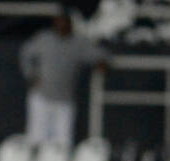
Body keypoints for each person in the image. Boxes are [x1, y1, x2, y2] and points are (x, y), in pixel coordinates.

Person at [19, 11, 106, 148]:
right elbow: (25, 52)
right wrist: (30, 74)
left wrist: (101, 62)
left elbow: (100, 55)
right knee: (36, 140)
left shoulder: (79, 43)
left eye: (65, 22)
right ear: (54, 23)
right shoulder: (44, 39)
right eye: (59, 22)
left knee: (62, 144)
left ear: (71, 24)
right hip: (41, 97)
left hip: (65, 101)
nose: (61, 25)